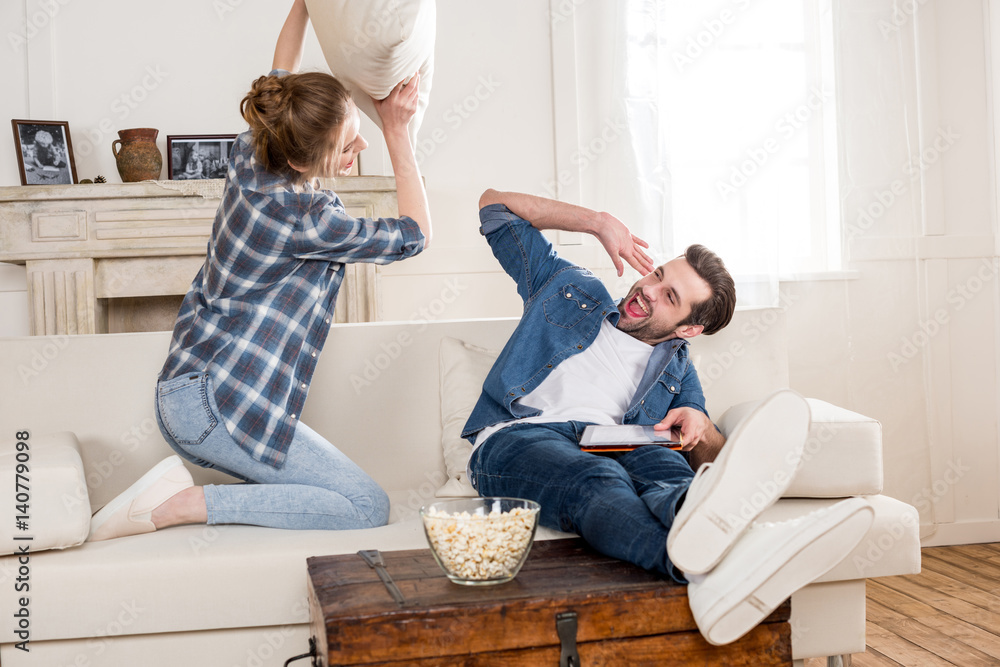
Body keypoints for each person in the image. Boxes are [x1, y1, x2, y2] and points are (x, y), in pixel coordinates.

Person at [464, 189, 874, 645]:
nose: (647, 291)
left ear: (689, 329)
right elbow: (494, 206)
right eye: (657, 276)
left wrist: (700, 428)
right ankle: (733, 566)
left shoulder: (677, 368)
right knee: (598, 479)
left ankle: (730, 544)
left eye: (669, 296)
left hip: (619, 439)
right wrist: (597, 221)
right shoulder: (566, 287)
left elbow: (710, 453)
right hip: (521, 438)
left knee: (667, 471)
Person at [88, 0, 431, 542]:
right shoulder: (308, 220)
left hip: (188, 392)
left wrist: (306, 4)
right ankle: (183, 504)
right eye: (347, 146)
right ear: (301, 161)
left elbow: (282, 70)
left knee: (354, 498)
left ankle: (179, 494)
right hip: (215, 412)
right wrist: (396, 133)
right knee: (366, 506)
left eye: (358, 132)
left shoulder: (256, 146)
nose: (358, 147)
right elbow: (416, 235)